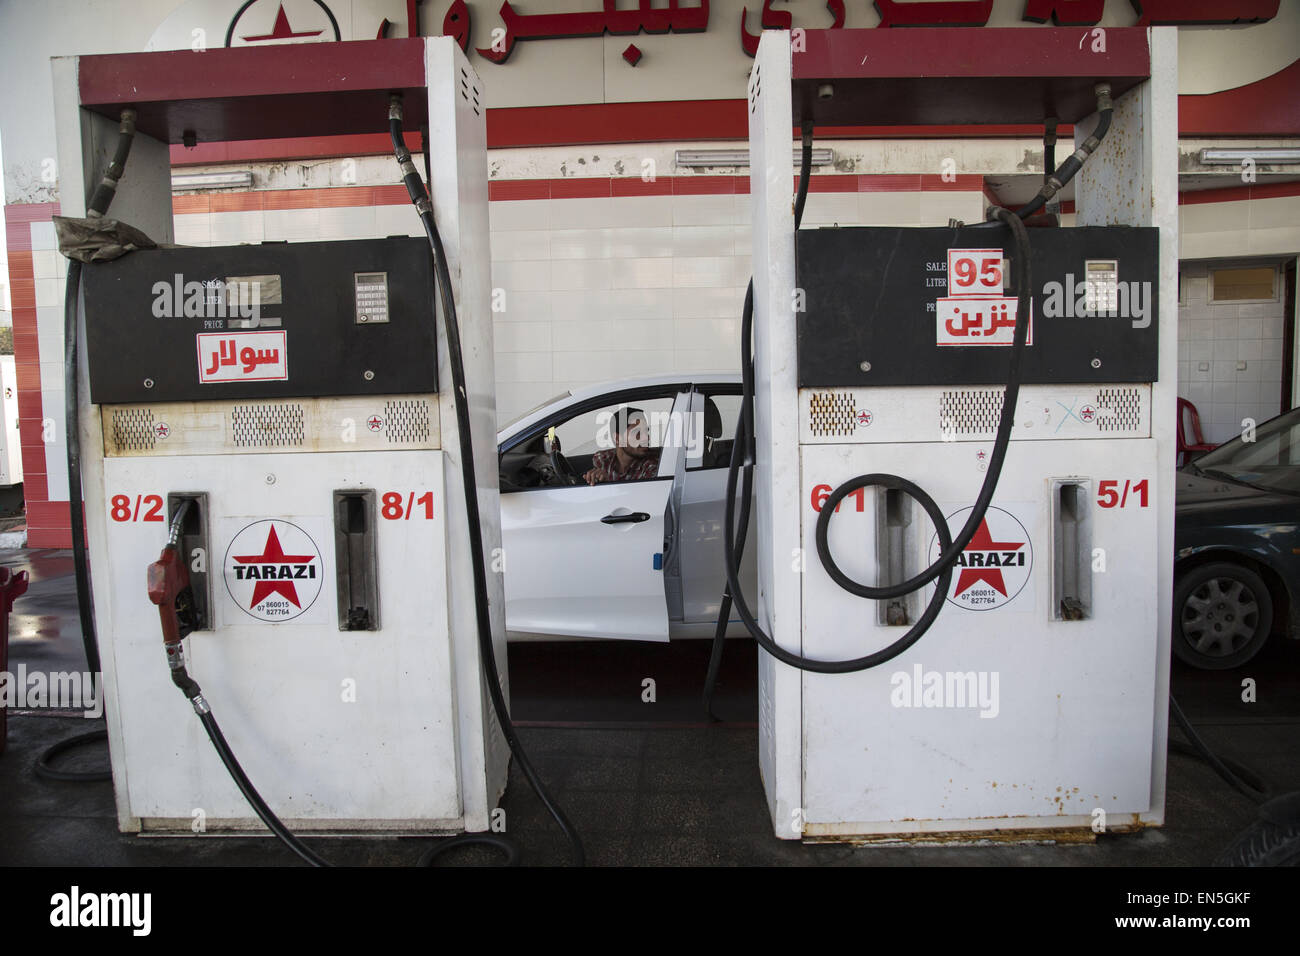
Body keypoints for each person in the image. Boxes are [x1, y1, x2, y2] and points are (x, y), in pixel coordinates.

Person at [583, 407, 661, 485]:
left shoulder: (652, 466)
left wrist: (609, 484)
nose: (647, 437)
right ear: (617, 438)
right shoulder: (602, 459)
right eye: (638, 433)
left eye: (646, 431)